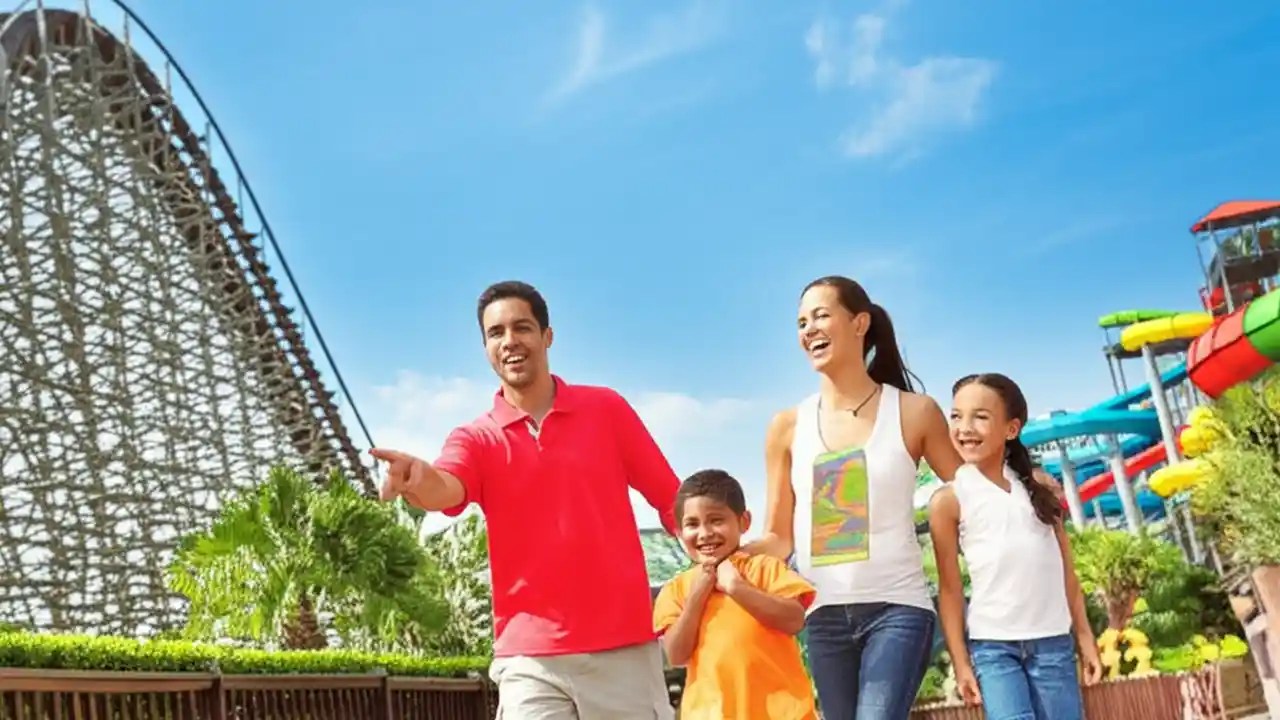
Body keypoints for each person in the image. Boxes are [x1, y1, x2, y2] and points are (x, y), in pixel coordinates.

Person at [371, 280, 679, 720]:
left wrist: (720, 563)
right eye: (496, 333)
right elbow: (447, 486)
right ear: (485, 348)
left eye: (522, 328)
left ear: (547, 336)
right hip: (529, 659)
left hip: (623, 649)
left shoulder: (606, 410)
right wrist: (418, 480)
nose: (510, 341)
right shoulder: (475, 438)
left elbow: (671, 499)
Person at [747, 275, 963, 720]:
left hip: (897, 609)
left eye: (821, 315)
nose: (809, 330)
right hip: (823, 616)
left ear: (860, 322)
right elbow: (779, 538)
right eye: (801, 322)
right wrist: (728, 553)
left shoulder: (913, 411)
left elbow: (970, 493)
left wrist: (1024, 476)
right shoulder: (786, 426)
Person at [929, 373, 1102, 720]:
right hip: (993, 650)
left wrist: (1084, 635)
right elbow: (950, 591)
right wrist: (962, 663)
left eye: (980, 416)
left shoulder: (1041, 487)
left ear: (1011, 429)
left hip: (1052, 643)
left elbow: (1065, 570)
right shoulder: (948, 501)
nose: (964, 427)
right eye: (956, 416)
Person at [653, 469, 819, 720]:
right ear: (679, 532)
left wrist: (737, 588)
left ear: (743, 522)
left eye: (716, 520)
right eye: (692, 524)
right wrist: (698, 595)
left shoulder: (764, 568)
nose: (705, 533)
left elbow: (794, 619)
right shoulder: (678, 588)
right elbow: (676, 655)